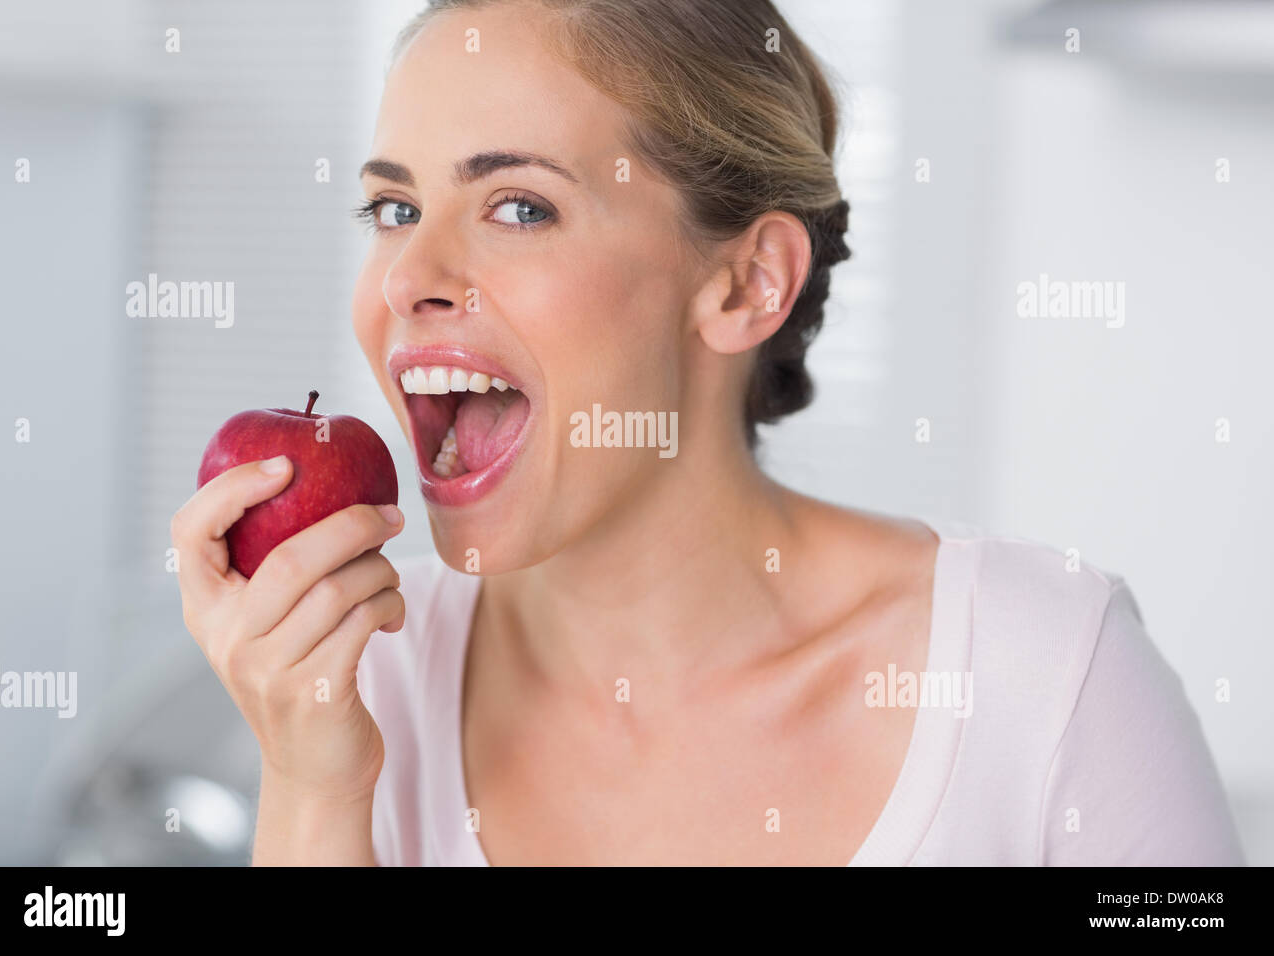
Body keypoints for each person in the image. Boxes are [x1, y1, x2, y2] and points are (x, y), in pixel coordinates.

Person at [171, 0, 1245, 865]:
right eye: (395, 210)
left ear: (745, 282)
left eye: (518, 207)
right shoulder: (369, 685)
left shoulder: (1041, 670)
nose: (406, 278)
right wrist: (313, 784)